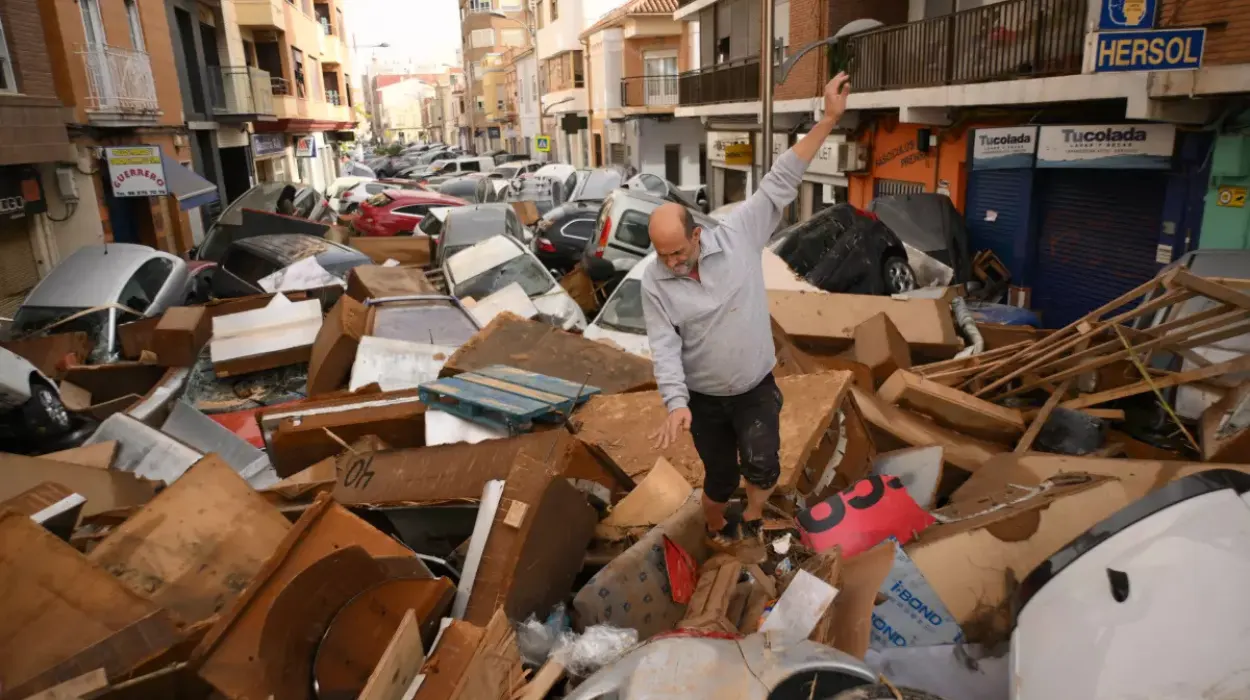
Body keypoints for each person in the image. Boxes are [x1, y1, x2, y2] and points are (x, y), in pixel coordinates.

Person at [641, 72, 853, 546]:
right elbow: (663, 345)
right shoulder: (653, 282)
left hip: (755, 386)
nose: (672, 264)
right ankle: (717, 526)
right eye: (663, 256)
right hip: (704, 399)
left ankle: (754, 517)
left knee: (762, 463)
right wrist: (676, 403)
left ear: (696, 234)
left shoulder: (738, 234)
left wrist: (828, 119)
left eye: (678, 252)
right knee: (718, 477)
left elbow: (781, 179)